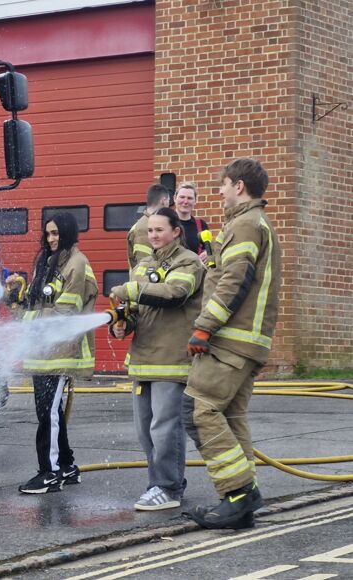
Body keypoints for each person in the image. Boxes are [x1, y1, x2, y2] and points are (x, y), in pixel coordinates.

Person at [184, 158, 281, 530]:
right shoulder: (256, 224)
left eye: (223, 185)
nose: (220, 191)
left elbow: (234, 282)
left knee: (199, 410)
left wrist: (205, 327)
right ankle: (242, 497)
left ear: (239, 186)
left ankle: (239, 494)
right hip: (249, 343)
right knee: (230, 416)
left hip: (231, 342)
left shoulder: (244, 224)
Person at [109, 208, 204, 511]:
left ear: (176, 231)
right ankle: (162, 483)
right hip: (143, 361)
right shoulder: (144, 265)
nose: (153, 236)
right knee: (146, 430)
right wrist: (123, 324)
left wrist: (132, 290)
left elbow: (174, 293)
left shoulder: (187, 262)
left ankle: (168, 487)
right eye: (150, 231)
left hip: (172, 361)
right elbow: (138, 308)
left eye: (159, 230)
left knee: (165, 429)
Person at [7, 212, 98, 494]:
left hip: (62, 354)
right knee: (51, 412)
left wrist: (27, 319)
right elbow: (38, 306)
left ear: (68, 233)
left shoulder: (77, 265)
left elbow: (63, 313)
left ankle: (49, 473)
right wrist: (17, 302)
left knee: (49, 414)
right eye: (48, 233)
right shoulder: (46, 263)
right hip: (42, 353)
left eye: (56, 233)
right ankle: (67, 466)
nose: (51, 239)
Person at [128, 184, 171, 269]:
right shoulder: (143, 228)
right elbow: (144, 265)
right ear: (163, 201)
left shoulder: (148, 224)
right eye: (169, 201)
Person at [173, 182, 210, 260]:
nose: (185, 201)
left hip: (195, 270)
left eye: (189, 198)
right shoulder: (166, 222)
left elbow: (209, 251)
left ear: (195, 201)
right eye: (182, 197)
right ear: (174, 198)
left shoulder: (201, 225)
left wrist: (208, 253)